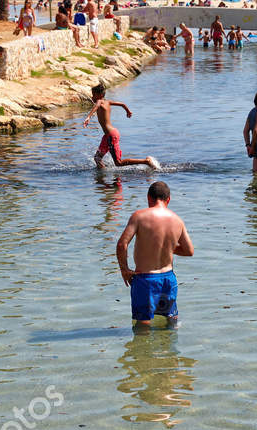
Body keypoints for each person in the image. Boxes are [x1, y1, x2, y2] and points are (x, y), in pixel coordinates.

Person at [116, 180, 194, 328]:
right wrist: (167, 246)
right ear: (168, 199)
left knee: (143, 324)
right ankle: (170, 342)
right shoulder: (177, 220)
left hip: (145, 280)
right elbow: (189, 251)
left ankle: (143, 343)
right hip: (168, 279)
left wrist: (124, 270)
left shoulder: (139, 216)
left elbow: (121, 244)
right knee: (171, 320)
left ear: (148, 197)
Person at [82, 82, 159, 169]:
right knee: (97, 158)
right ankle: (103, 173)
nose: (92, 97)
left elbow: (96, 106)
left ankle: (146, 161)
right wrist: (128, 111)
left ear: (100, 95)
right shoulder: (108, 102)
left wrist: (88, 116)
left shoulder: (99, 102)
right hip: (107, 136)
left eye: (94, 95)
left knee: (118, 163)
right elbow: (122, 104)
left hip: (111, 135)